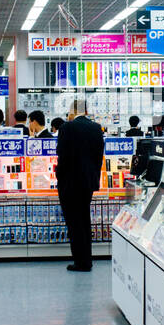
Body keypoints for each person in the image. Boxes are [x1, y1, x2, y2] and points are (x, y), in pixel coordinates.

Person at [56, 100, 104, 272]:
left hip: (70, 182)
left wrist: (59, 176)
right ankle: (87, 259)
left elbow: (62, 156)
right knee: (84, 220)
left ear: (72, 111)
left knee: (74, 223)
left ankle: (81, 262)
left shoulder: (66, 128)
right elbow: (98, 156)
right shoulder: (96, 128)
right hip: (89, 182)